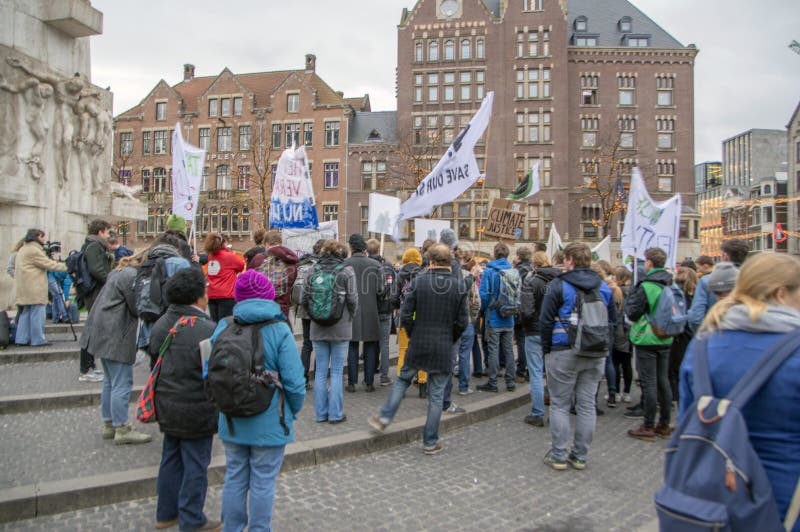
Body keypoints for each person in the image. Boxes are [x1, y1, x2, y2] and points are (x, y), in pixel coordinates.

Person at [679, 253, 800, 528]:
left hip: (713, 497)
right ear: (781, 294)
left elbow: (687, 421)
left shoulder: (702, 343)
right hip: (784, 501)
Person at [211, 270, 305, 531]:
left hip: (231, 417)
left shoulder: (224, 326)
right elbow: (295, 382)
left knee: (234, 477)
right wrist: (292, 409)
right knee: (263, 481)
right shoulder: (279, 329)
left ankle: (232, 528)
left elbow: (209, 370)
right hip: (270, 418)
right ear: (268, 295)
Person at [369, 244, 469, 455]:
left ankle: (385, 417)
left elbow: (405, 314)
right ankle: (430, 442)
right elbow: (462, 322)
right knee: (436, 395)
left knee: (403, 380)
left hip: (419, 342)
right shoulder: (459, 286)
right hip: (443, 345)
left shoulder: (419, 282)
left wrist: (414, 333)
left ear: (430, 261)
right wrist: (450, 337)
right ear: (448, 262)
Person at [150, 268, 220, 532]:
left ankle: (166, 513)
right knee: (196, 463)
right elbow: (213, 372)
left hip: (166, 402)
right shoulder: (206, 329)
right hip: (196, 407)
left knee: (170, 457)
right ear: (198, 296)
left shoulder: (161, 324)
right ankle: (192, 519)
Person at [539, 242, 616, 470]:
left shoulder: (558, 285)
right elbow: (613, 321)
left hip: (563, 348)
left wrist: (546, 348)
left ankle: (559, 454)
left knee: (560, 404)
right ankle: (580, 455)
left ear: (569, 260)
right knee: (586, 404)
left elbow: (545, 320)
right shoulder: (604, 287)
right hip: (595, 350)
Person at [81, 249, 151, 444]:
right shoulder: (132, 277)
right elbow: (136, 306)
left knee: (110, 381)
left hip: (103, 331)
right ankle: (122, 428)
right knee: (122, 382)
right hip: (116, 332)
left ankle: (109, 424)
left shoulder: (118, 272)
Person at [303, 240, 358, 424]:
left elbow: (303, 299)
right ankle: (335, 414)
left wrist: (314, 315)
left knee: (320, 371)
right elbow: (353, 299)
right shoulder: (346, 271)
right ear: (341, 253)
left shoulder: (312, 270)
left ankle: (320, 414)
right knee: (336, 371)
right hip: (341, 327)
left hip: (318, 327)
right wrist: (350, 316)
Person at [625, 247, 675, 441]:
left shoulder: (646, 285)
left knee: (649, 382)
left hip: (647, 337)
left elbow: (633, 313)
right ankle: (664, 423)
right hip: (666, 336)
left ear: (649, 263)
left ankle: (648, 425)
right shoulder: (671, 283)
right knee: (663, 380)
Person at [519, 251, 560, 427]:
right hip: (554, 330)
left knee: (535, 373)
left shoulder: (531, 281)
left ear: (534, 264)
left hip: (534, 330)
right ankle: (556, 413)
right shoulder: (559, 281)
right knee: (554, 373)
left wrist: (524, 324)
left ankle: (537, 413)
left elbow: (527, 311)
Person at [13, 229, 68, 346]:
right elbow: (49, 264)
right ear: (36, 237)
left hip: (24, 286)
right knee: (37, 313)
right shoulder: (34, 250)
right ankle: (38, 339)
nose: (44, 239)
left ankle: (22, 339)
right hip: (34, 287)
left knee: (26, 312)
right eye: (42, 237)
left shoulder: (23, 249)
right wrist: (67, 266)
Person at [477, 243, 518, 393]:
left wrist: (487, 308)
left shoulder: (489, 271)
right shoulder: (513, 271)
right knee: (509, 351)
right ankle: (511, 382)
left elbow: (484, 294)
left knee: (493, 350)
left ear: (494, 254)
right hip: (509, 316)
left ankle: (493, 382)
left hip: (494, 316)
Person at [78, 219, 114, 381]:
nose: (108, 235)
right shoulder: (94, 246)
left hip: (96, 291)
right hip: (95, 292)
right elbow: (96, 269)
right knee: (91, 330)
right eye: (107, 232)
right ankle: (86, 369)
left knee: (94, 328)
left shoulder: (95, 245)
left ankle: (90, 365)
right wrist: (111, 280)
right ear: (100, 232)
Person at [344, 234, 381, 393]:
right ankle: (369, 382)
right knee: (370, 346)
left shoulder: (345, 264)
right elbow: (381, 290)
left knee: (352, 345)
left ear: (351, 247)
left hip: (351, 311)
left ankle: (352, 382)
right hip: (371, 309)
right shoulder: (376, 265)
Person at [687, 239, 748, 331]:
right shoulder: (754, 280)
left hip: (715, 331)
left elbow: (696, 317)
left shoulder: (707, 281)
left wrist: (706, 334)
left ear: (725, 256)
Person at [392, 247, 427, 397]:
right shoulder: (424, 275)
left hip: (404, 318)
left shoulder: (400, 275)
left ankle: (401, 386)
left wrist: (398, 306)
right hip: (421, 318)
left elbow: (394, 297)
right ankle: (423, 385)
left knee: (403, 352)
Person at [293, 239, 324, 388]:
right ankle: (319, 378)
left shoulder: (303, 264)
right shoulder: (321, 266)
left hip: (304, 310)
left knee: (307, 344)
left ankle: (303, 377)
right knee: (320, 345)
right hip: (318, 310)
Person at [366, 238, 396, 387]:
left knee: (370, 342)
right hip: (385, 308)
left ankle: (369, 373)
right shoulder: (388, 266)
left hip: (370, 309)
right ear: (379, 249)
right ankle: (384, 376)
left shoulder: (366, 266)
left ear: (367, 250)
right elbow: (394, 288)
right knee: (384, 344)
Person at [249, 230, 298, 320]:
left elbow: (249, 281)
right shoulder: (290, 260)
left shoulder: (258, 259)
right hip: (281, 308)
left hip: (262, 307)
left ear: (266, 244)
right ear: (280, 243)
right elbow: (291, 283)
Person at [668, 266, 697, 403]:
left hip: (677, 335)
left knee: (674, 368)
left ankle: (675, 396)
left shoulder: (674, 294)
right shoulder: (697, 295)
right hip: (692, 335)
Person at [204, 233, 245, 322]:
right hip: (226, 295)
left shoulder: (211, 256)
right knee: (226, 324)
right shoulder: (229, 256)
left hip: (212, 294)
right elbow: (241, 266)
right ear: (223, 243)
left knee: (215, 323)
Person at [611, 267, 633, 404]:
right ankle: (627, 392)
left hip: (617, 329)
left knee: (615, 363)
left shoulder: (616, 291)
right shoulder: (632, 292)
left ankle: (616, 391)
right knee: (627, 363)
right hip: (629, 330)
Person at [513, 246, 533, 383]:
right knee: (528, 342)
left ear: (519, 257)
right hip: (531, 309)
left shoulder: (518, 271)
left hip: (520, 309)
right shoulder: (533, 270)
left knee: (521, 341)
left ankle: (521, 371)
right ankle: (529, 370)